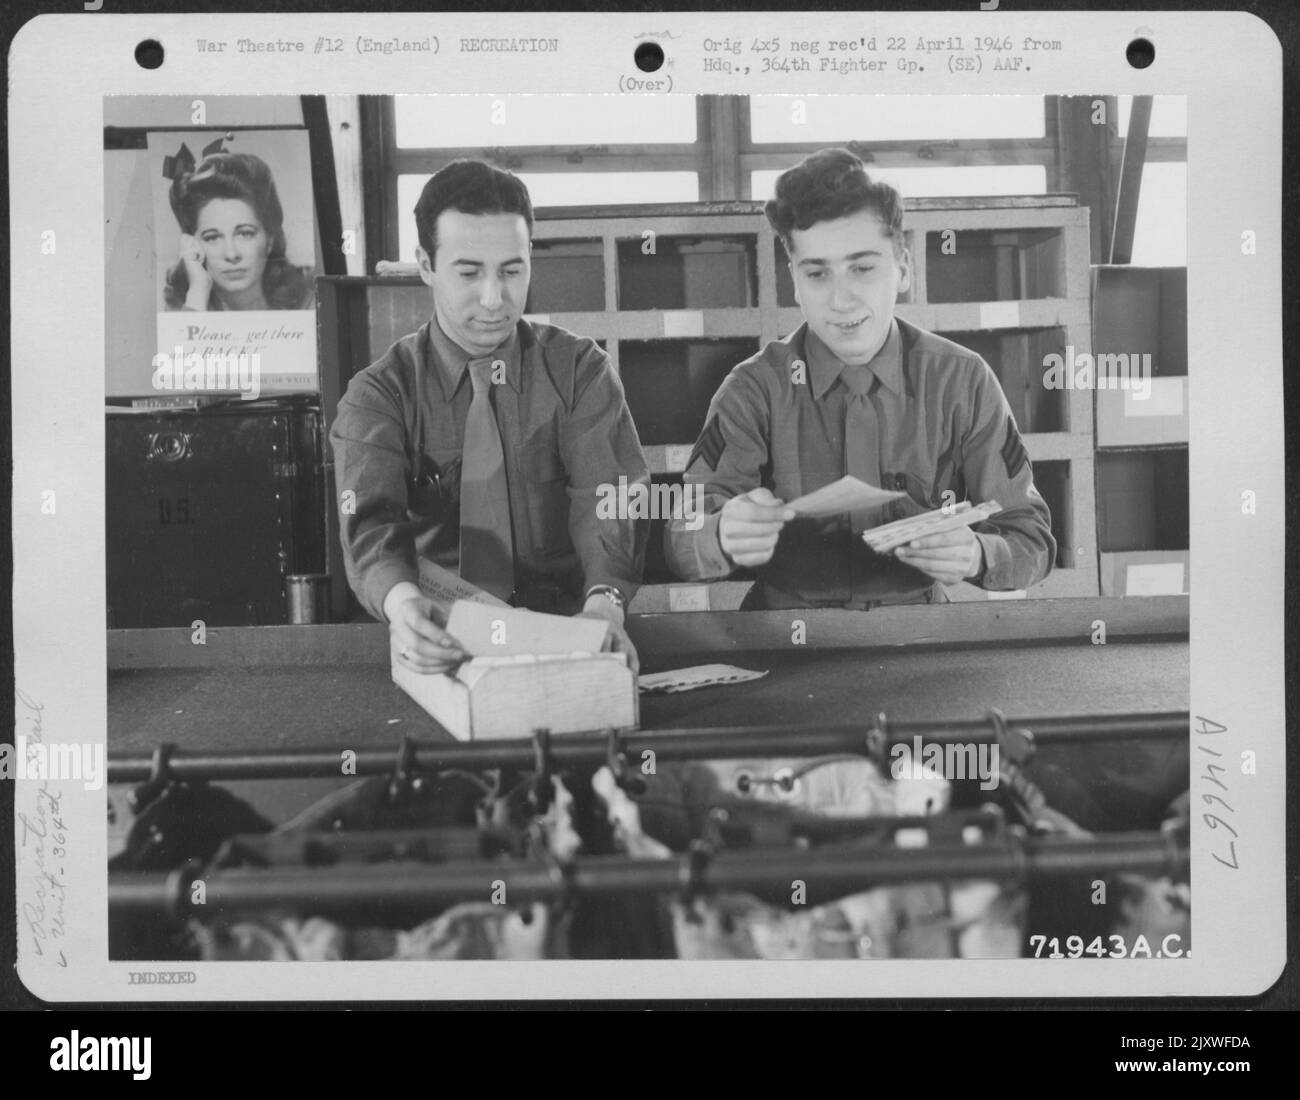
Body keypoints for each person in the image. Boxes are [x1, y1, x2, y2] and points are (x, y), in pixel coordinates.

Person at [665, 148, 1056, 609]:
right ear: (794, 279)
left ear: (903, 267)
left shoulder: (963, 380)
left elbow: (1032, 539)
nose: (841, 300)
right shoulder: (753, 388)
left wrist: (977, 554)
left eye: (862, 268)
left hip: (920, 636)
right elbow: (680, 539)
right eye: (817, 273)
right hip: (789, 639)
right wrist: (720, 534)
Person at [330, 159, 648, 673]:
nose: (494, 299)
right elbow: (370, 527)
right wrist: (403, 606)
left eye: (512, 270)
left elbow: (608, 498)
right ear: (426, 265)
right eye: (470, 272)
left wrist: (605, 606)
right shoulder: (379, 395)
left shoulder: (580, 373)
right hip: (442, 643)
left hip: (569, 633)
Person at [164, 150, 315, 312]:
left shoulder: (308, 297)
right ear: (192, 245)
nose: (231, 254)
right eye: (212, 237)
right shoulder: (185, 303)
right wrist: (198, 291)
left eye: (245, 234)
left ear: (269, 240)